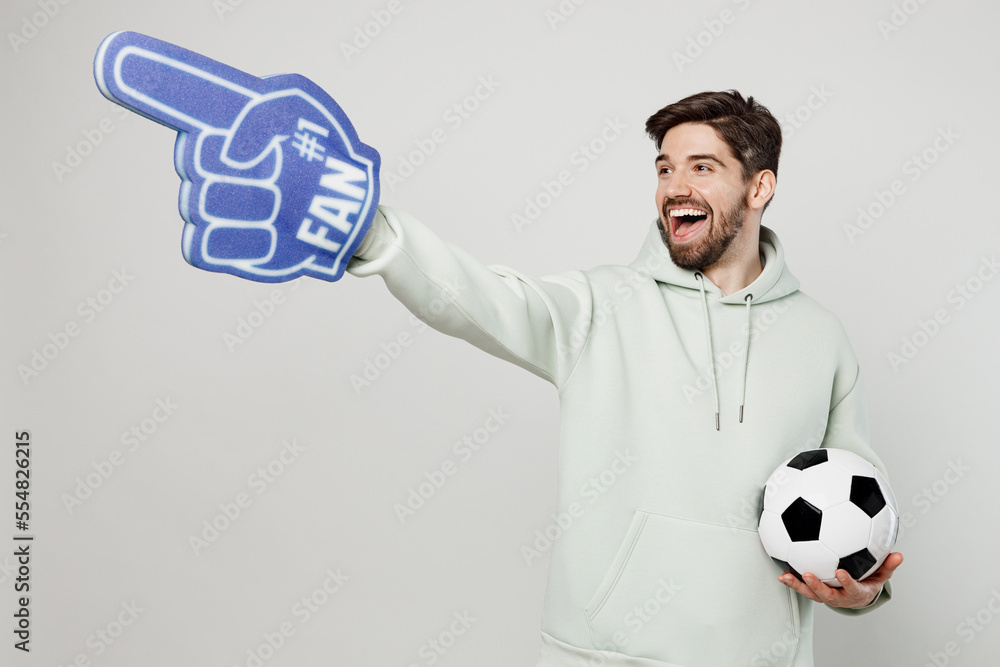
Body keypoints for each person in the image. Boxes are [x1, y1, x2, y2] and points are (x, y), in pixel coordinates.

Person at [347, 89, 902, 667]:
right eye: (665, 169)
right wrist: (373, 233)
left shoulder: (821, 338)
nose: (674, 187)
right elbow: (476, 297)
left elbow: (862, 505)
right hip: (601, 657)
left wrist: (863, 590)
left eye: (701, 168)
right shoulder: (599, 306)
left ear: (759, 187)